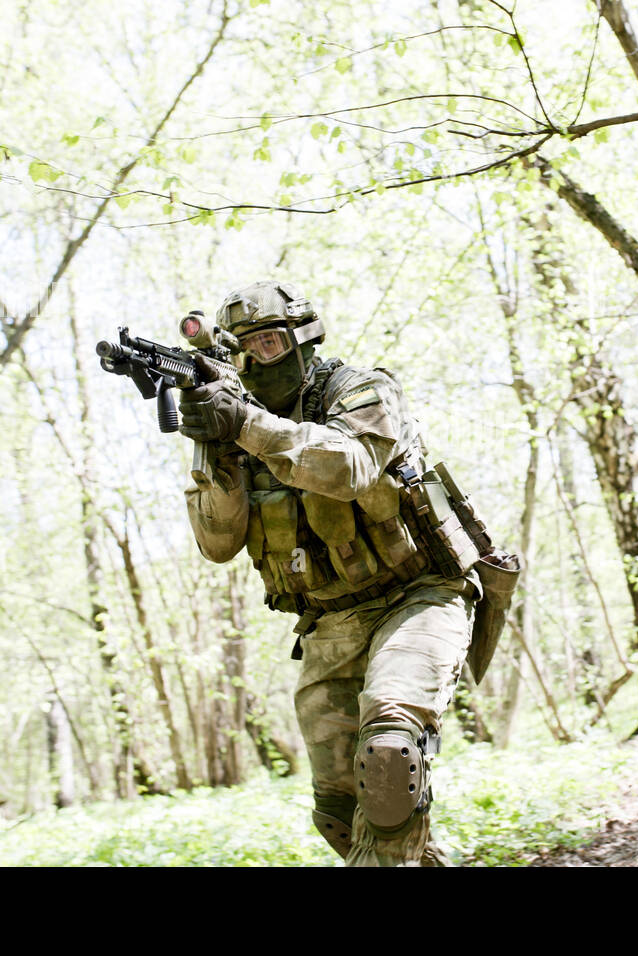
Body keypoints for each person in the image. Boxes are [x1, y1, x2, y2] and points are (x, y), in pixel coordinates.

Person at [177, 279, 482, 867]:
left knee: (391, 758)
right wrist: (216, 450)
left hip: (416, 596)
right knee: (343, 815)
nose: (258, 360)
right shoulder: (237, 422)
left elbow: (351, 466)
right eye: (243, 351)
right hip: (328, 624)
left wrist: (243, 424)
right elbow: (218, 543)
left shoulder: (363, 389)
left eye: (270, 343)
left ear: (304, 339)